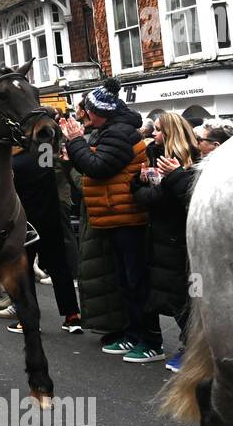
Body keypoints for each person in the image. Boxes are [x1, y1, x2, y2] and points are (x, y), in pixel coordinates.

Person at [62, 78, 163, 362]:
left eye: (89, 109)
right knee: (125, 281)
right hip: (116, 215)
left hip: (129, 218)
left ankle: (151, 341)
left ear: (101, 112)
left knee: (136, 282)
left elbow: (98, 167)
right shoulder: (111, 130)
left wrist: (75, 142)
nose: (86, 114)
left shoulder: (118, 133)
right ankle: (132, 334)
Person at [131, 113, 201, 372]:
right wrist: (139, 183)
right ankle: (181, 345)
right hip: (159, 235)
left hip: (181, 237)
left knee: (185, 295)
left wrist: (170, 178)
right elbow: (149, 194)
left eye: (158, 130)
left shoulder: (193, 159)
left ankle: (194, 349)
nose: (153, 135)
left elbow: (172, 197)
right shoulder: (156, 155)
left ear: (171, 133)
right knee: (169, 293)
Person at [6, 145, 83, 335]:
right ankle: (72, 316)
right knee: (59, 267)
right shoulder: (46, 151)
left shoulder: (14, 160)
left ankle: (29, 320)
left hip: (26, 220)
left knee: (24, 270)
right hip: (50, 216)